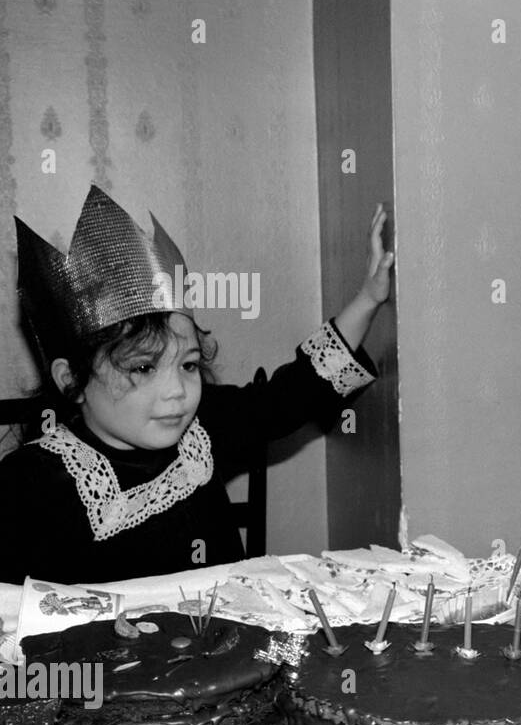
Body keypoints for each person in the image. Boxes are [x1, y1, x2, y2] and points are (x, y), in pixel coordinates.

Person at [0, 186, 393, 585]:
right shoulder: (28, 483)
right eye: (143, 368)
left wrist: (368, 298)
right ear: (72, 381)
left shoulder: (202, 430)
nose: (177, 391)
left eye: (188, 364)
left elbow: (290, 396)